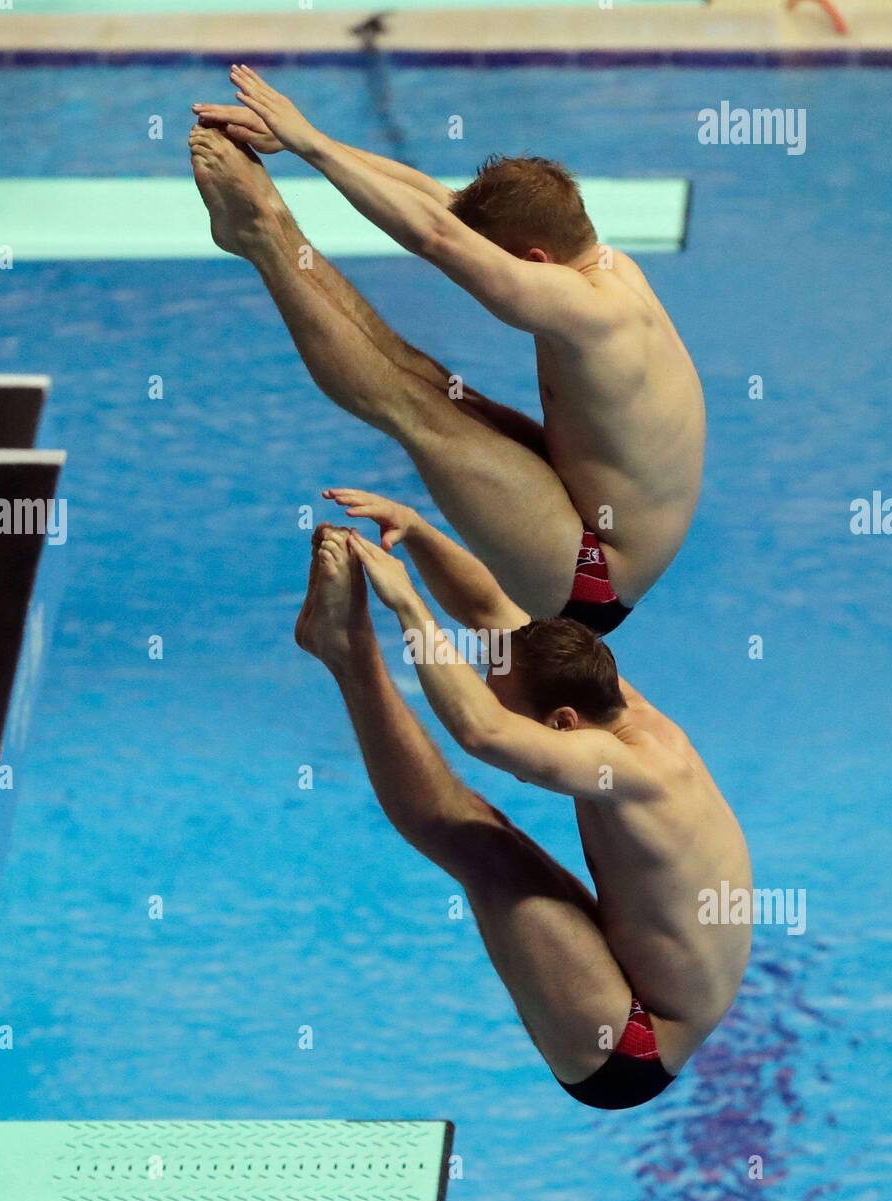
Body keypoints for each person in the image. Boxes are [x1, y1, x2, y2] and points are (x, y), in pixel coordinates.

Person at [191, 67, 705, 632]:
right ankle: (262, 231)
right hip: (583, 509)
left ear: (534, 262)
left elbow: (435, 237)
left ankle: (264, 234)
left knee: (408, 405)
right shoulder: (605, 265)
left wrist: (310, 143)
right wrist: (297, 137)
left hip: (591, 573)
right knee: (424, 377)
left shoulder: (588, 309)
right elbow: (442, 209)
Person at [295, 514, 751, 1110]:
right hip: (641, 984)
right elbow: (488, 610)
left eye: (512, 706)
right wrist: (418, 531)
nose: (492, 695)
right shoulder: (600, 691)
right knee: (494, 843)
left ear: (563, 724)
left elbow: (481, 731)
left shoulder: (638, 768)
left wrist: (408, 605)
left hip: (630, 1047)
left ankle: (347, 651)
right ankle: (343, 644)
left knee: (479, 848)